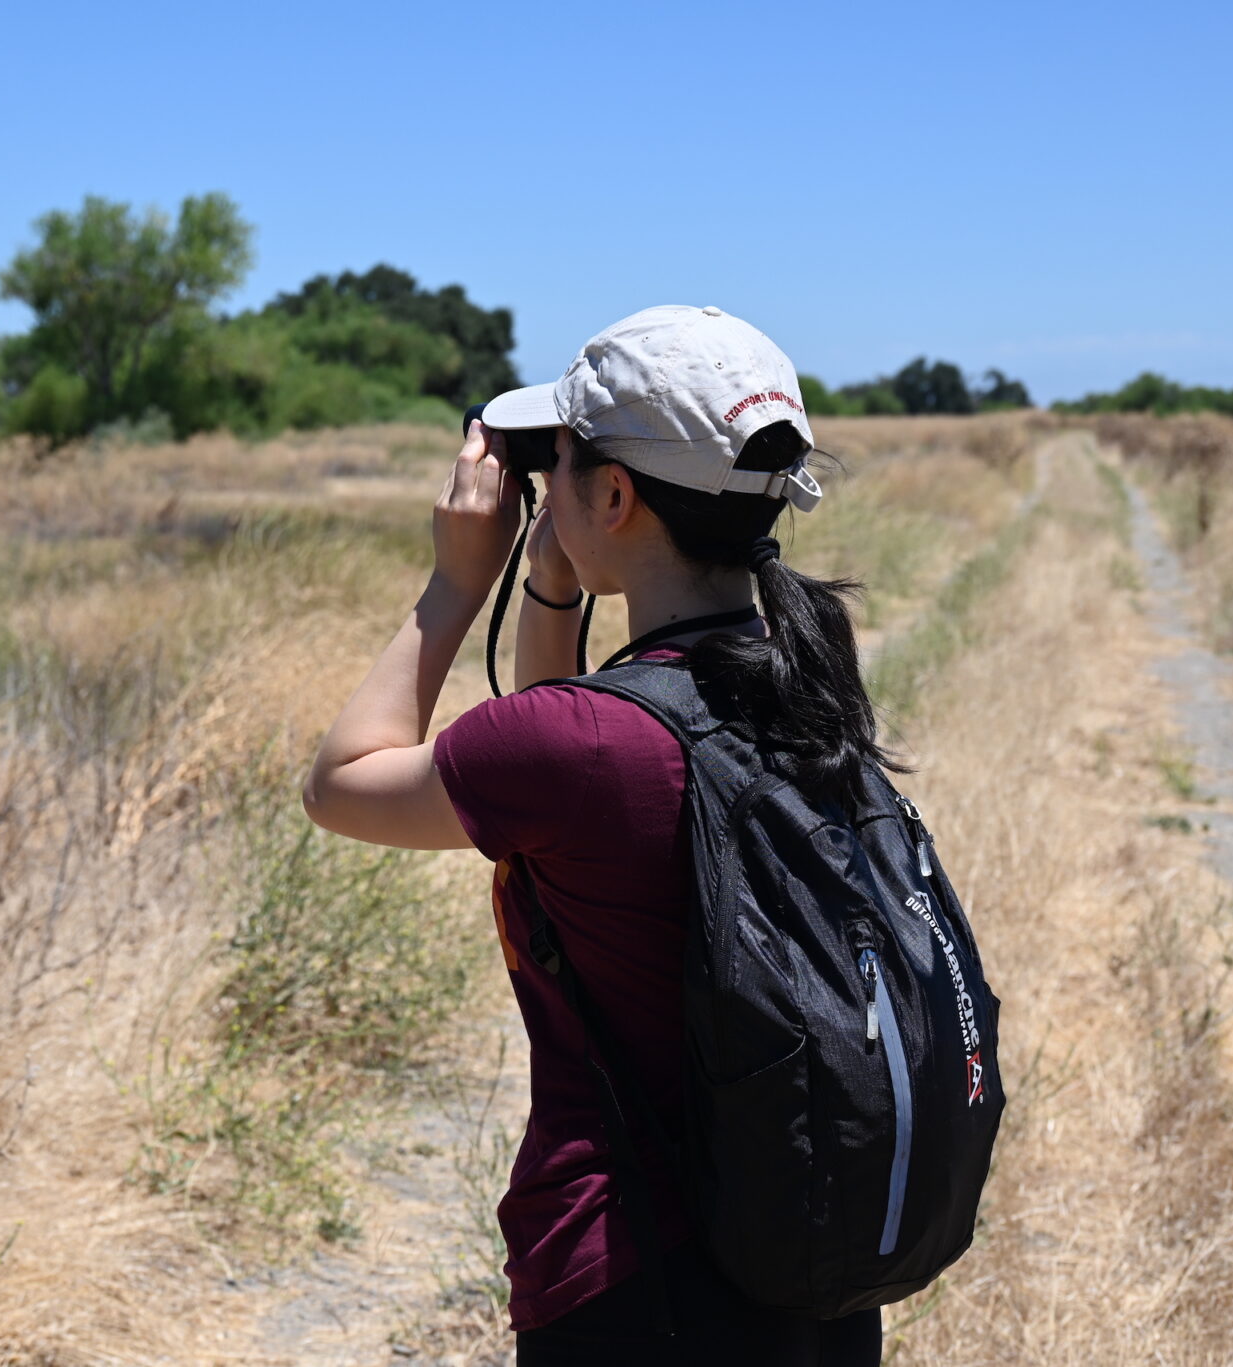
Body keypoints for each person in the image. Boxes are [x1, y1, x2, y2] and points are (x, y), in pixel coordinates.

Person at [303, 306, 888, 1364]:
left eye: (561, 456)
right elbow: (574, 762)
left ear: (613, 495)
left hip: (634, 1286)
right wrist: (556, 575)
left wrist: (455, 577)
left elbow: (339, 784)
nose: (547, 475)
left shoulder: (581, 744)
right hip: (809, 1254)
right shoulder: (806, 679)